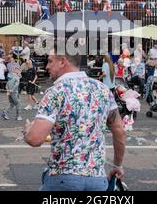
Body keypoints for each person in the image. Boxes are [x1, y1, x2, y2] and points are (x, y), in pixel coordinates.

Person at [23, 47, 126, 191]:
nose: (47, 66)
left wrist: (27, 131)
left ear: (62, 61)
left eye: (50, 61)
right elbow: (119, 131)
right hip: (96, 179)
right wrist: (117, 165)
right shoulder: (102, 90)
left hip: (62, 178)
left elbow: (35, 139)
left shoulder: (55, 92)